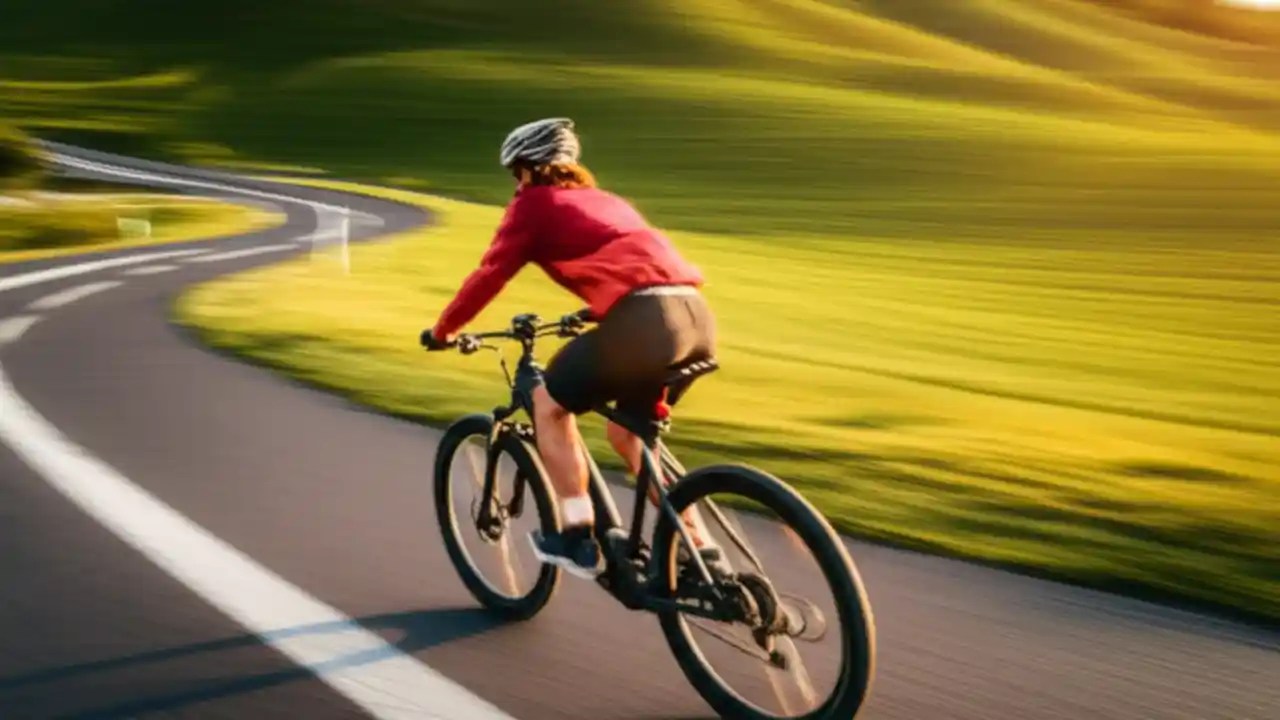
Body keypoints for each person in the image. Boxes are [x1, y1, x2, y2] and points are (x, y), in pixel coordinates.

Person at [420, 117, 720, 579]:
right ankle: (700, 547)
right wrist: (599, 311)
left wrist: (443, 330)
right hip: (694, 315)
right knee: (630, 436)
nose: (515, 185)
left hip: (643, 324)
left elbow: (490, 275)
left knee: (550, 406)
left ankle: (578, 534)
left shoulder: (534, 205)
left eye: (515, 174)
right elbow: (639, 267)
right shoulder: (605, 201)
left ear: (528, 169)